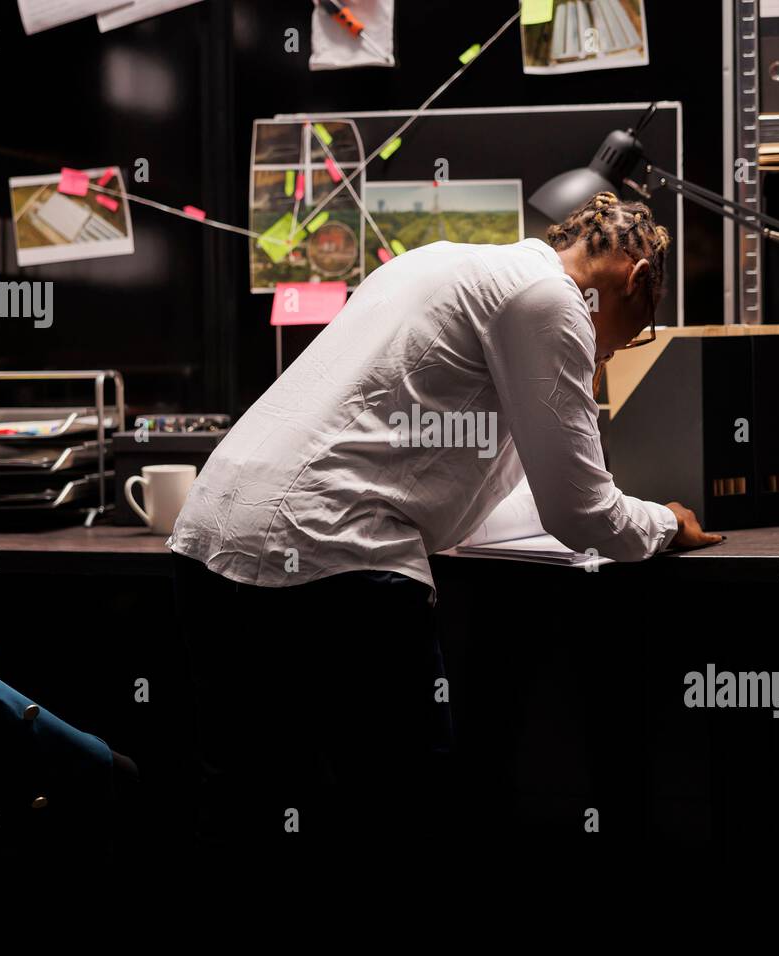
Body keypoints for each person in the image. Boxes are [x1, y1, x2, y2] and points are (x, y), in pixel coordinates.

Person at [170, 192, 722, 849]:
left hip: (209, 534)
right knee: (404, 810)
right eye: (625, 341)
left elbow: (471, 485)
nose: (607, 362)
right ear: (635, 281)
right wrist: (662, 523)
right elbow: (581, 512)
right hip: (333, 556)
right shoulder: (551, 300)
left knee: (249, 802)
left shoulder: (433, 264)